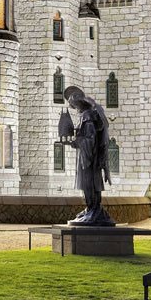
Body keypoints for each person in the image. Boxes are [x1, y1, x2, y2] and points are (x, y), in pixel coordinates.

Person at [59, 86, 114, 226]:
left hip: (89, 159)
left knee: (89, 184)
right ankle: (91, 209)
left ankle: (94, 209)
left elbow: (90, 138)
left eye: (74, 105)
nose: (73, 108)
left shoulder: (87, 116)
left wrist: (76, 142)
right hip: (86, 157)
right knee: (87, 185)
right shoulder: (86, 115)